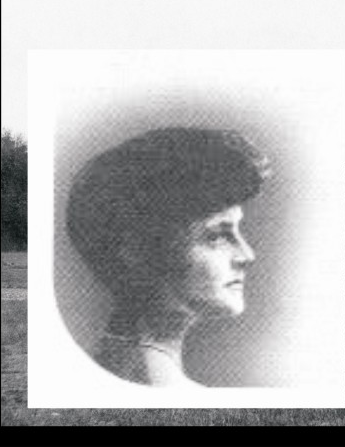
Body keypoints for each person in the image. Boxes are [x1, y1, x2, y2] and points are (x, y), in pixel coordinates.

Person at [65, 127, 267, 386]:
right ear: (136, 250)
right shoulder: (162, 386)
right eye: (216, 236)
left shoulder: (104, 362)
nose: (247, 255)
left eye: (237, 231)